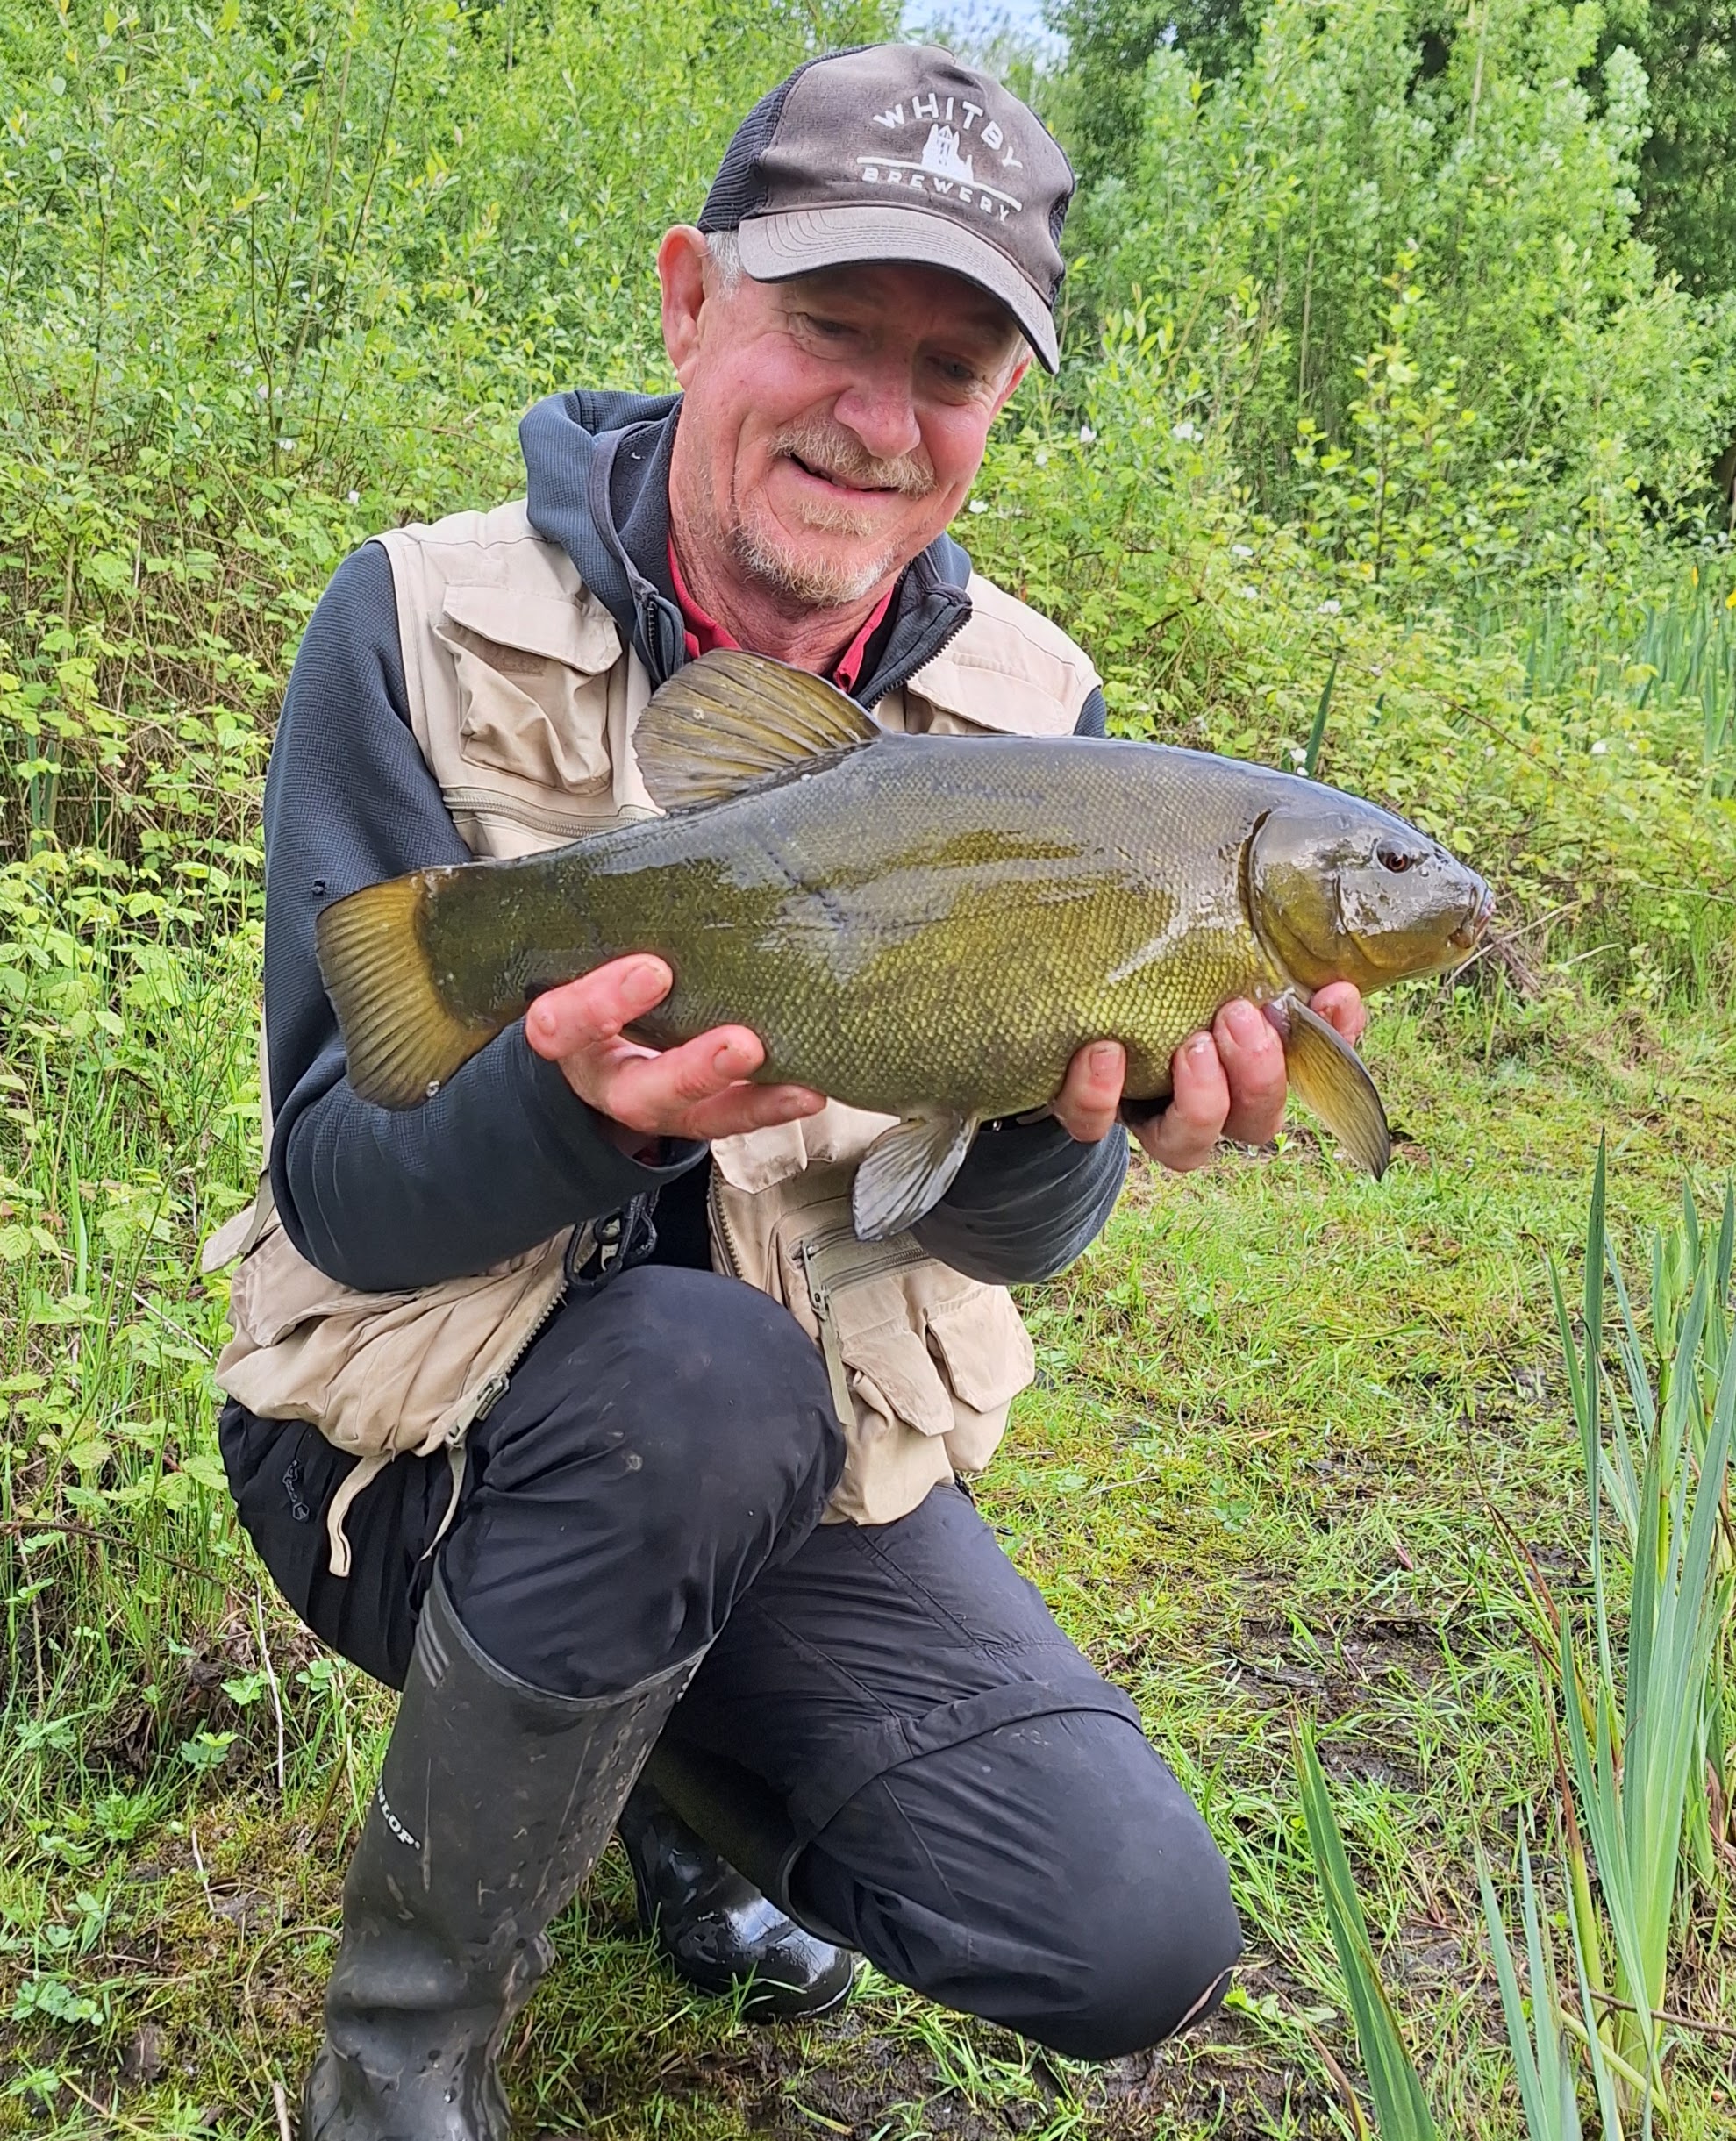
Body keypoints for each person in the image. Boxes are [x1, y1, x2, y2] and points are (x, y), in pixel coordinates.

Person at [210, 41, 1367, 2141]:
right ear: (688, 300)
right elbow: (347, 1192)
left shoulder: (1039, 718)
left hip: (782, 1464)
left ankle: (654, 1776)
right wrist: (583, 1111)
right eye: (833, 327)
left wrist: (1059, 1130)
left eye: (951, 368)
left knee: (1129, 1931)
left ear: (999, 409)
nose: (877, 414)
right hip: (406, 1438)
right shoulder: (411, 619)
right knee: (692, 1384)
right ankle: (396, 2057)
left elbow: (975, 1224)